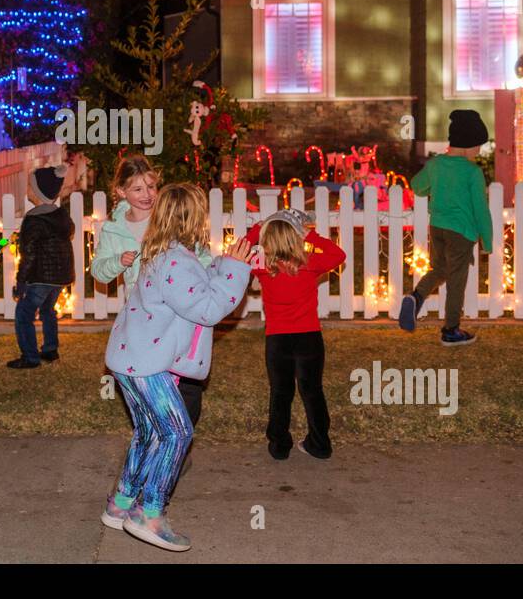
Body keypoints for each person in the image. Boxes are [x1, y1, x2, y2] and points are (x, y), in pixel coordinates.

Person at [101, 183, 253, 552]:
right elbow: (209, 308)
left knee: (149, 433)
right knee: (176, 433)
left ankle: (121, 504)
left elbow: (198, 287)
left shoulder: (163, 253)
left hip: (129, 360)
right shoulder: (176, 261)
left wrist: (222, 265)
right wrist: (237, 269)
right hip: (145, 365)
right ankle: (149, 513)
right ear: (194, 219)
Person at [91, 155, 210, 425]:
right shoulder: (113, 230)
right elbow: (98, 270)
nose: (147, 195)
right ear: (121, 191)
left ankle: (181, 435)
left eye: (151, 187)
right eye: (137, 189)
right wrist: (116, 262)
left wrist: (202, 279)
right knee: (148, 373)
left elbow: (201, 255)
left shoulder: (168, 217)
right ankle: (154, 430)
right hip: (142, 314)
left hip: (177, 308)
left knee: (183, 367)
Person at [243, 209, 346, 460]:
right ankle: (320, 444)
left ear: (267, 239)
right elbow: (338, 254)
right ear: (295, 236)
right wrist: (310, 236)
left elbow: (242, 249)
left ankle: (279, 445)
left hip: (278, 340)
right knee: (312, 391)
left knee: (280, 392)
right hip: (309, 338)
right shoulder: (309, 262)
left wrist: (257, 229)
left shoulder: (263, 266)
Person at [399, 110, 493, 346]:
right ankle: (451, 330)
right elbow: (481, 210)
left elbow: (418, 187)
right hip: (461, 232)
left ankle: (416, 296)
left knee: (439, 268)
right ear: (468, 144)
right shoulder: (473, 172)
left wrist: (437, 186)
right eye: (478, 146)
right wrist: (487, 242)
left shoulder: (437, 164)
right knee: (456, 281)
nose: (479, 151)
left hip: (438, 228)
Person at [8, 164, 76, 369]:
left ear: (38, 192)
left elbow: (28, 255)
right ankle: (50, 349)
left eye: (30, 185)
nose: (27, 189)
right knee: (48, 311)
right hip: (60, 277)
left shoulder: (34, 219)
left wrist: (21, 281)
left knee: (23, 314)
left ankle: (30, 357)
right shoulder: (62, 216)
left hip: (39, 277)